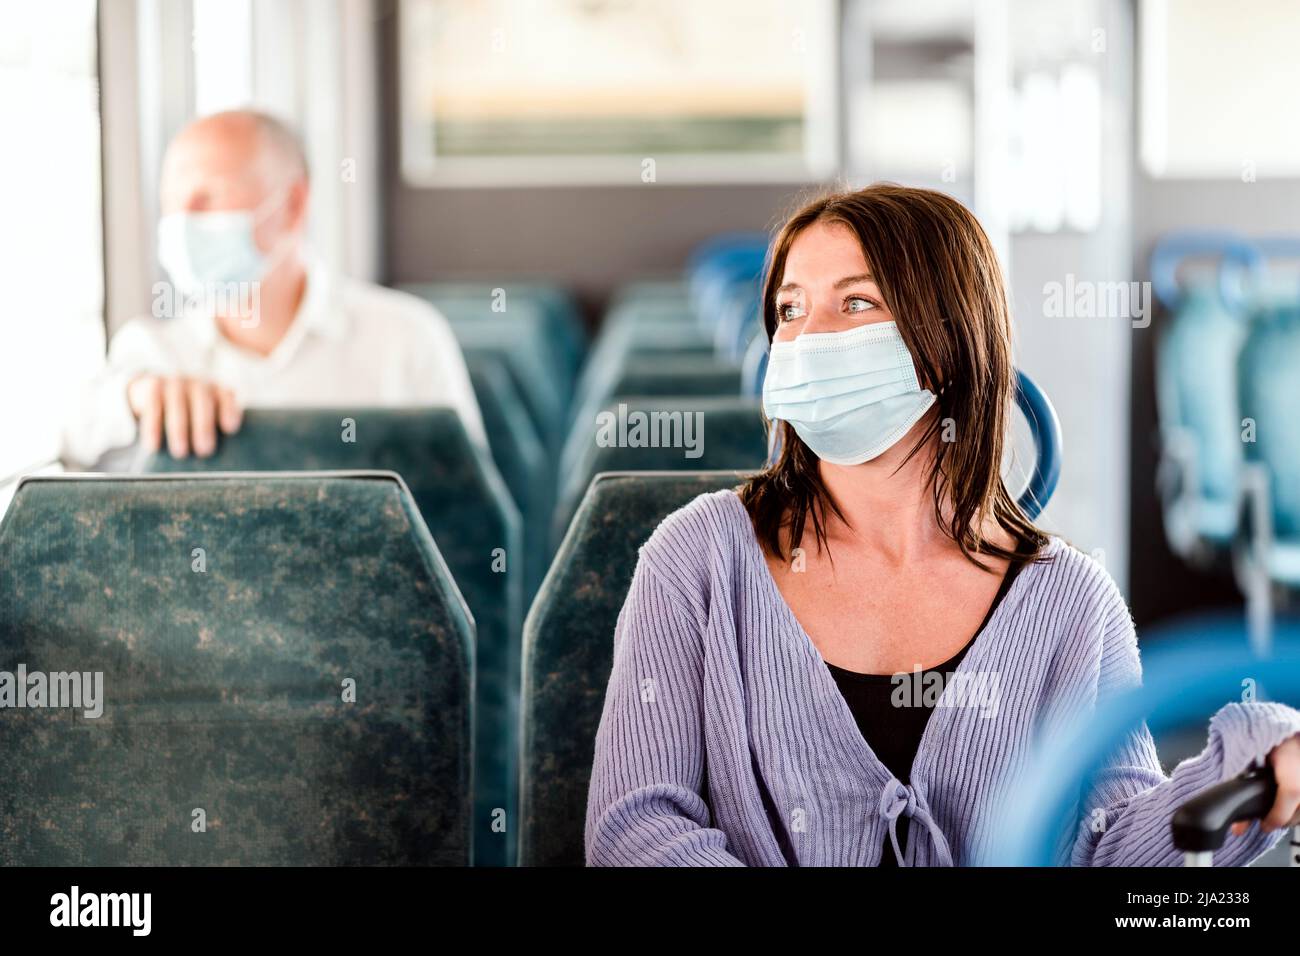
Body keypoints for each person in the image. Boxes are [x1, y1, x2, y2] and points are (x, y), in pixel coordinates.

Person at [585, 184, 1300, 867]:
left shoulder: (1072, 602)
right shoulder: (695, 560)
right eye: (790, 307)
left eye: (855, 302)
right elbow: (637, 826)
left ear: (946, 340)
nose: (805, 339)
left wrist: (1250, 767)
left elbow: (1108, 842)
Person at [62, 109, 486, 466]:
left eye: (208, 199)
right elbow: (73, 440)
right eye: (172, 205)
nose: (184, 224)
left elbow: (468, 516)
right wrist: (136, 396)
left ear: (293, 205)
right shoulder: (153, 355)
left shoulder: (406, 338)